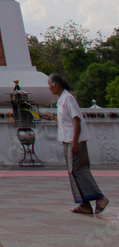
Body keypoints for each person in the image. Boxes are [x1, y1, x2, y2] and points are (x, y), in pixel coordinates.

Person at [47, 73, 108, 216]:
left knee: (78, 170)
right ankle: (85, 204)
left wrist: (75, 142)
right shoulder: (61, 100)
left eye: (49, 84)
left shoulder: (68, 98)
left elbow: (77, 120)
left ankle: (100, 198)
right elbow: (67, 119)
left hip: (75, 140)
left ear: (56, 85)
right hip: (67, 139)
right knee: (74, 171)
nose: (49, 88)